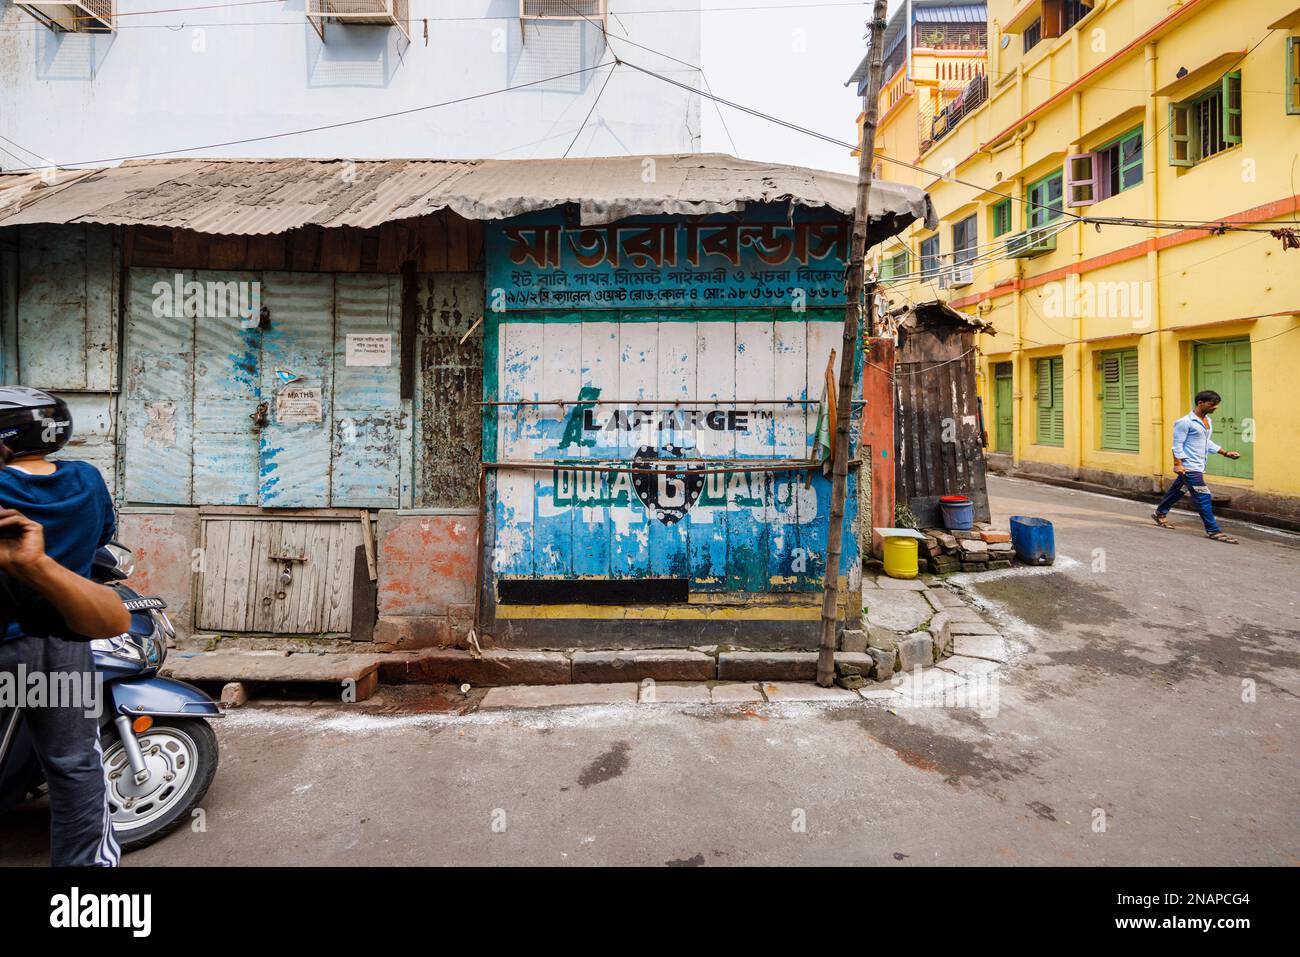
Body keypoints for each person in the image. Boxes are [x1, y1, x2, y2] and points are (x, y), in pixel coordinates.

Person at [0, 386, 131, 867]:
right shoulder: (87, 479)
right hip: (67, 638)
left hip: (9, 642)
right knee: (75, 762)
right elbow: (103, 540)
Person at [1151, 389, 1242, 544]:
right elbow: (1177, 445)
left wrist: (1225, 453)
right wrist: (1177, 464)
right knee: (1203, 497)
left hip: (1198, 465)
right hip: (1189, 467)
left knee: (1178, 490)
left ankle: (1160, 512)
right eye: (1212, 404)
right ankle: (1213, 530)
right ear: (1200, 403)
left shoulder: (1207, 421)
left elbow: (1207, 443)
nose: (1215, 408)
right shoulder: (1184, 422)